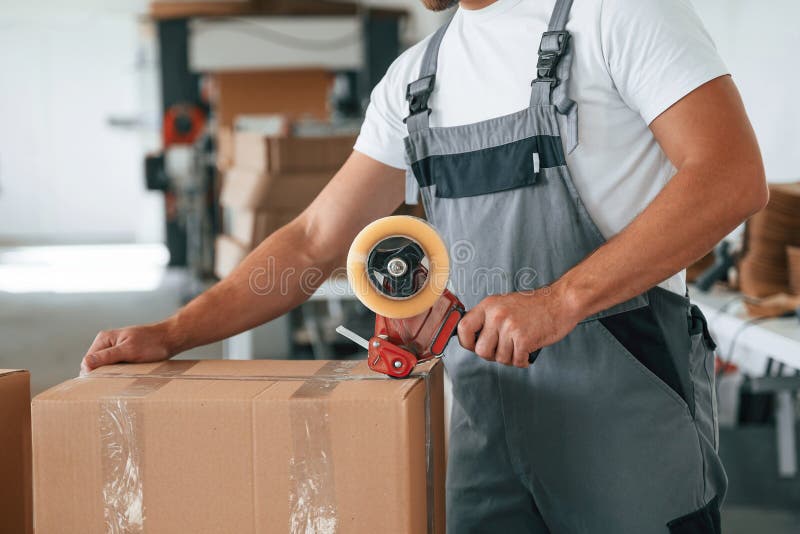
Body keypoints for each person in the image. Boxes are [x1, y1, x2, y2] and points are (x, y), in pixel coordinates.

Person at [83, 0, 768, 532]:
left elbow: (731, 176)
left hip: (624, 420)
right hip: (481, 430)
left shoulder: (618, 16)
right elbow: (313, 241)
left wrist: (559, 300)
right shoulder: (415, 80)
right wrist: (174, 332)